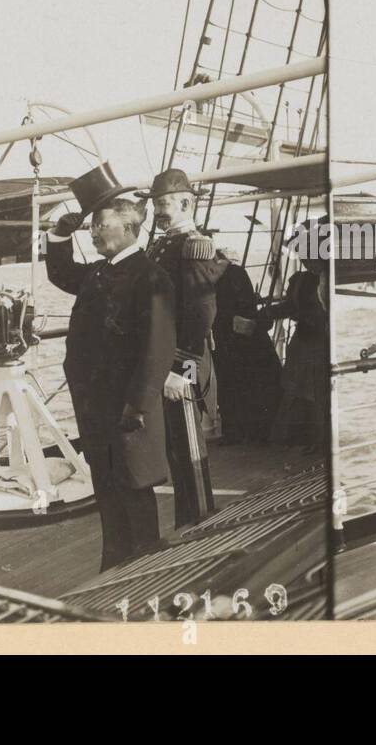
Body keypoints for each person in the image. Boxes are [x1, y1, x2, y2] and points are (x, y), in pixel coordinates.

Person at [44, 163, 176, 571]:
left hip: (126, 412)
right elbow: (62, 271)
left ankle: (144, 572)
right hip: (95, 405)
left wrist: (136, 407)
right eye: (93, 227)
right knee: (106, 488)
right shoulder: (99, 272)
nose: (94, 232)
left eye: (101, 224)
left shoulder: (150, 277)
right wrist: (60, 233)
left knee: (133, 489)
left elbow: (158, 349)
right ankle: (113, 567)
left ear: (130, 227)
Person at [142, 168, 228, 528]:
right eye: (157, 204)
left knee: (188, 435)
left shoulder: (193, 245)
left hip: (186, 358)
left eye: (165, 204)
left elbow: (201, 310)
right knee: (177, 439)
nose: (159, 211)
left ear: (186, 203)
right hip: (168, 358)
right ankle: (190, 517)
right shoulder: (162, 243)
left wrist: (181, 367)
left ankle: (199, 520)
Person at [265, 219, 330, 453]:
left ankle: (323, 440)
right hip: (302, 344)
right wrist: (267, 312)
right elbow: (289, 307)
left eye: (310, 256)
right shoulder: (299, 280)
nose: (306, 261)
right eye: (303, 257)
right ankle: (310, 438)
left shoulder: (329, 280)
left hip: (322, 344)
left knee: (319, 393)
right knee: (301, 391)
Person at [211, 252, 282, 446]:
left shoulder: (221, 276)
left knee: (233, 384)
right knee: (248, 384)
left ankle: (239, 432)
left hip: (231, 338)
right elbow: (247, 304)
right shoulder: (235, 273)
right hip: (241, 338)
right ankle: (256, 432)